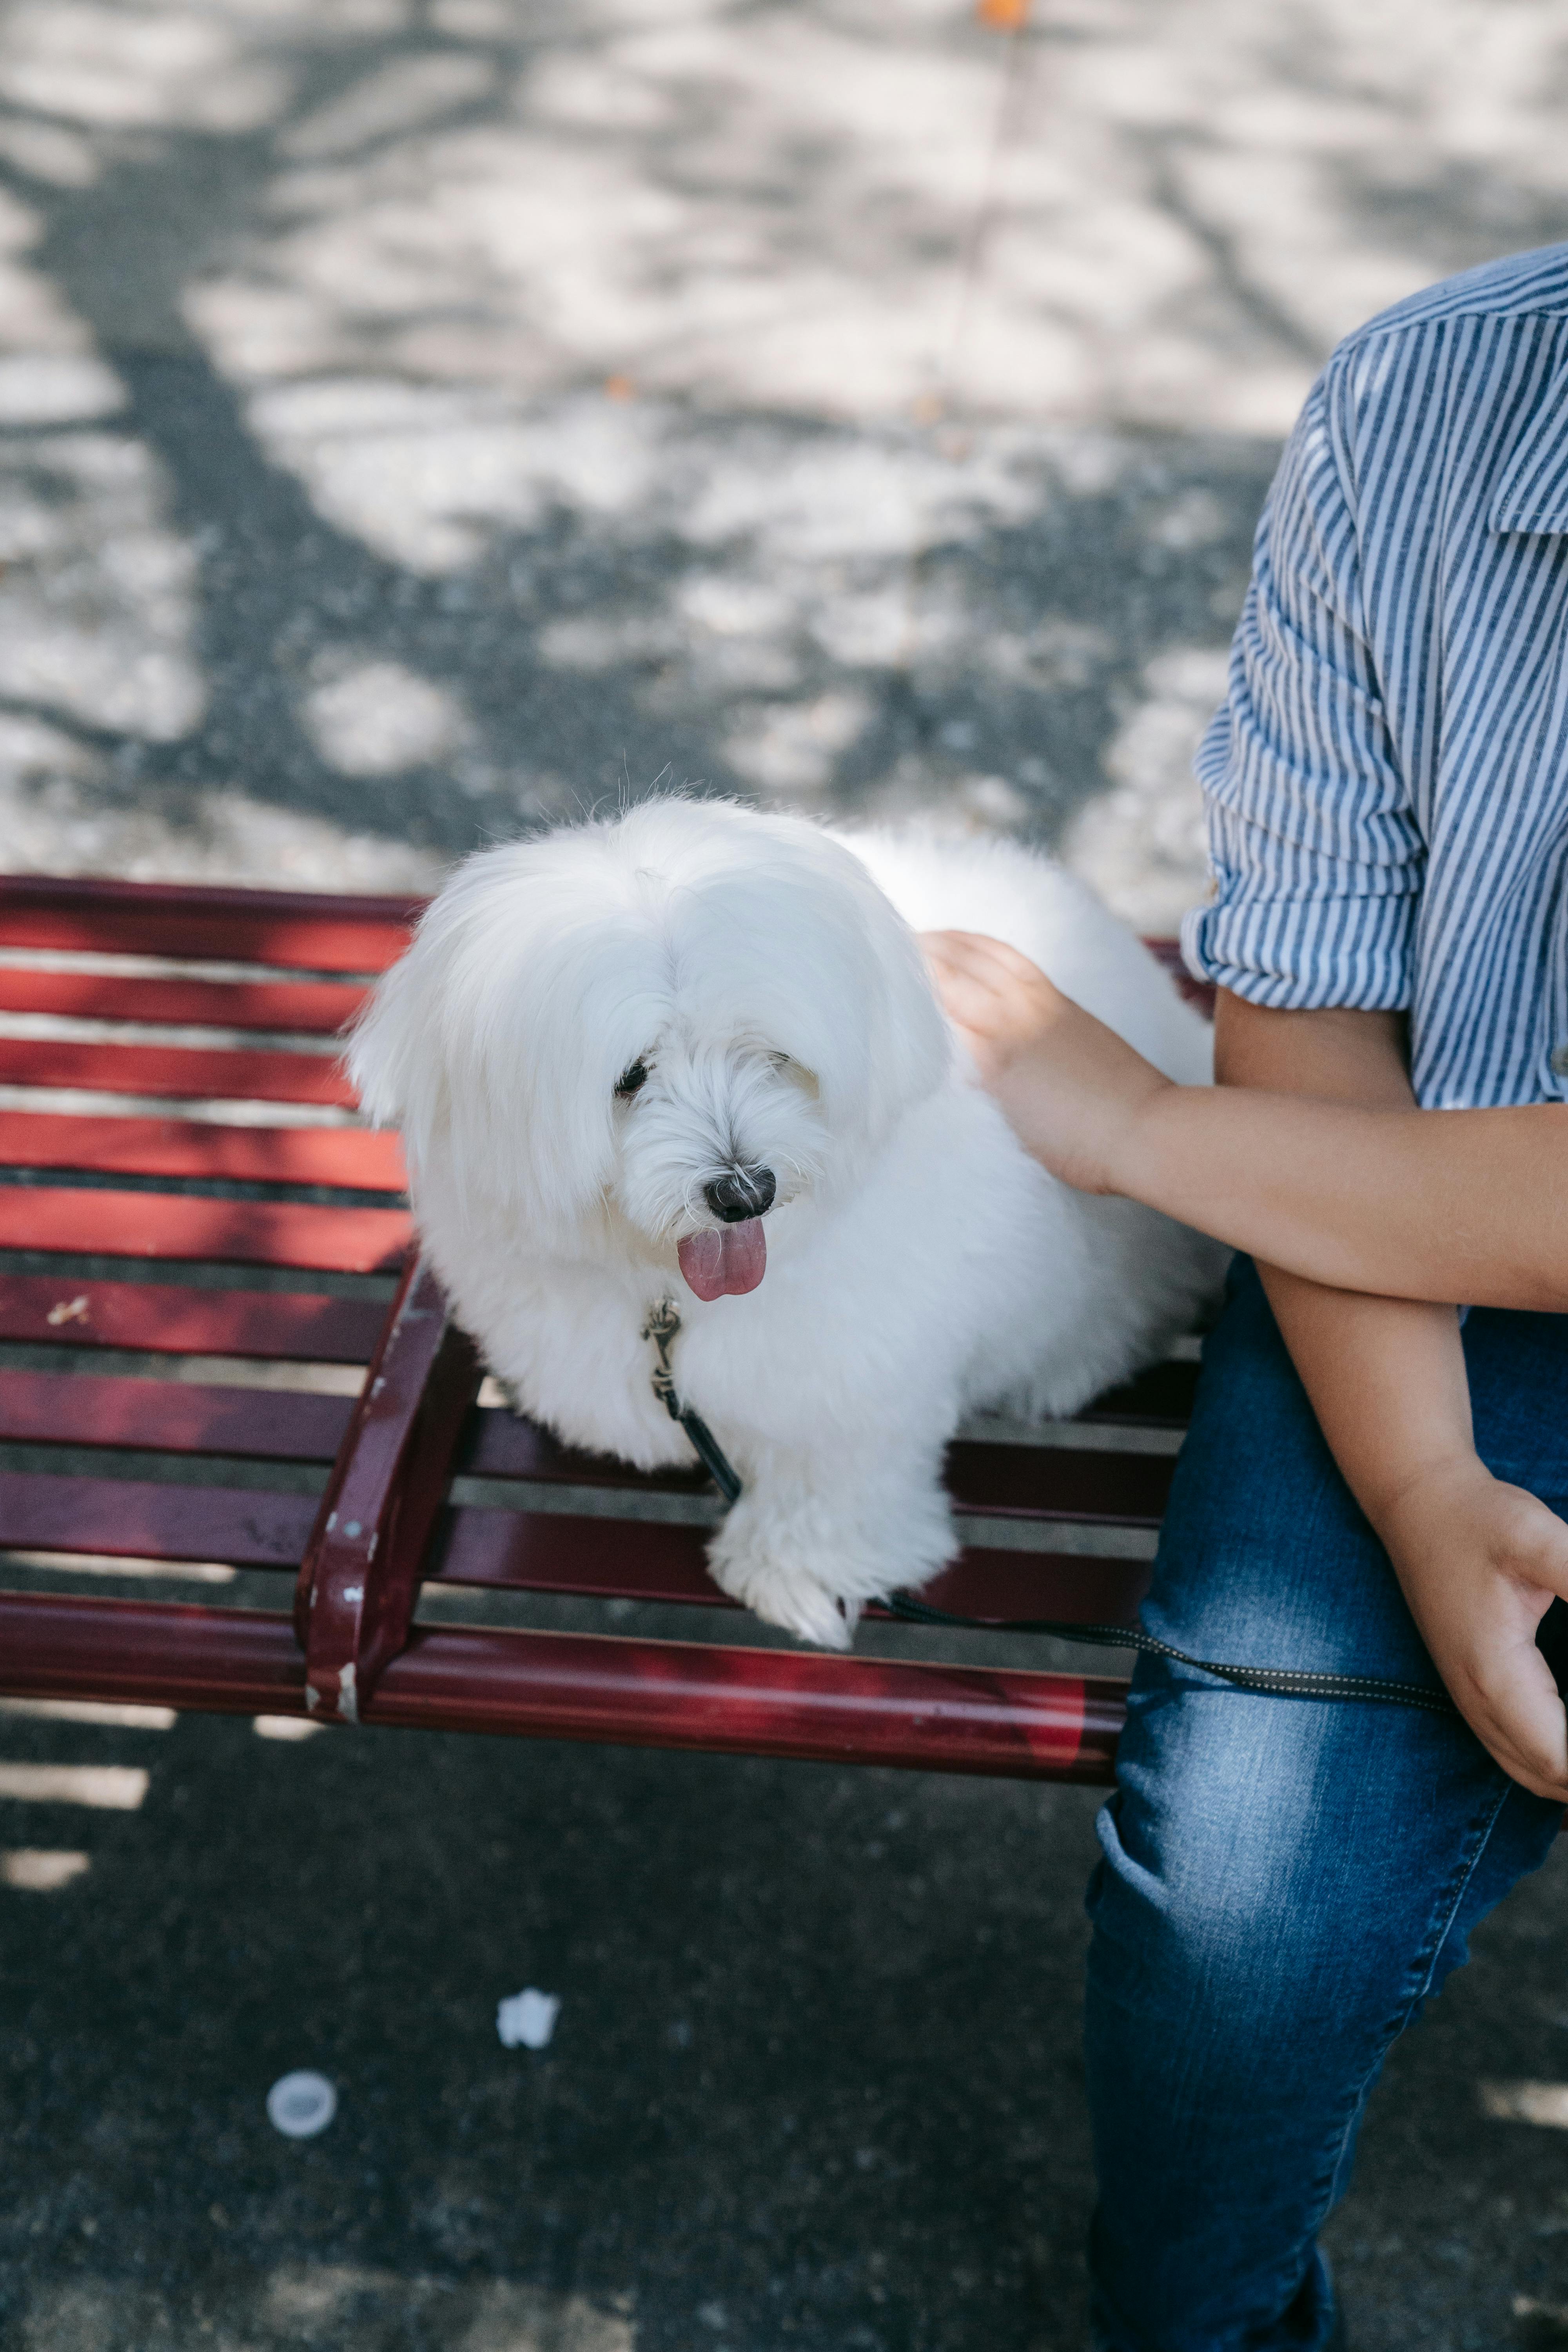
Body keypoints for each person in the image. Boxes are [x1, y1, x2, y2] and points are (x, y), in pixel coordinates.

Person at [921, 243, 1568, 2352]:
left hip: (1364, 1188)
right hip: (1389, 1202)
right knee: (1234, 1919)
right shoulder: (1415, 409)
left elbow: (1214, 1109)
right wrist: (1420, 1496)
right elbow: (1314, 1015)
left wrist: (1122, 1128)